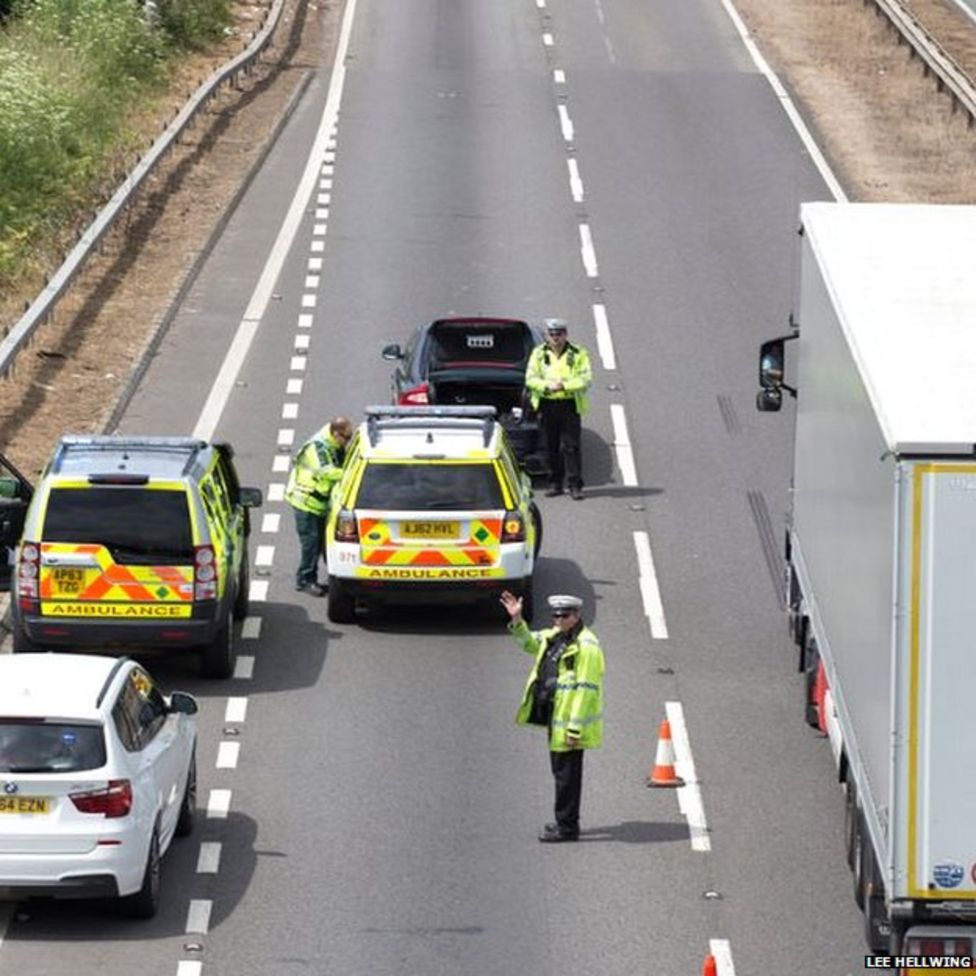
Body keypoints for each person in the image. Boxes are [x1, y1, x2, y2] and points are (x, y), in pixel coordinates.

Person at [500, 589, 605, 843]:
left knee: (567, 777)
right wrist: (517, 620)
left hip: (569, 724)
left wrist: (575, 729)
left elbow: (586, 691)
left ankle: (567, 828)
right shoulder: (556, 637)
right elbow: (529, 643)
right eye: (555, 615)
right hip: (557, 718)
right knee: (561, 774)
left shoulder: (587, 647)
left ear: (577, 615)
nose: (558, 619)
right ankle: (564, 822)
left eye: (564, 615)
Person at [524, 318, 592, 500]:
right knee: (550, 446)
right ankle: (555, 483)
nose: (555, 337)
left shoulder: (578, 353)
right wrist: (547, 386)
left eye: (559, 334)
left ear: (565, 335)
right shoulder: (538, 354)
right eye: (552, 334)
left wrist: (565, 386)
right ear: (546, 336)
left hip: (569, 404)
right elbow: (530, 378)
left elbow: (585, 379)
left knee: (571, 446)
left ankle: (575, 485)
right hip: (547, 405)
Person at [285, 416, 354, 595]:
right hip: (305, 502)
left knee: (322, 543)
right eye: (346, 437)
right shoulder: (318, 448)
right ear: (336, 433)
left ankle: (315, 577)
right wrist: (353, 474)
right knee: (311, 543)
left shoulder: (334, 445)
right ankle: (305, 580)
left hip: (320, 503)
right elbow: (328, 472)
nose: (347, 441)